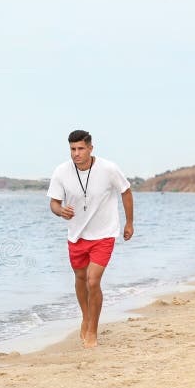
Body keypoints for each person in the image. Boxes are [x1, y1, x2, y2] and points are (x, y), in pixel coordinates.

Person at [47, 130, 134, 348]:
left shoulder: (108, 169)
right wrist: (60, 211)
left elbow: (126, 191)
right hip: (77, 235)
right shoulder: (61, 172)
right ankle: (85, 316)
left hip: (104, 233)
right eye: (72, 149)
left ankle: (93, 331)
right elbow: (54, 203)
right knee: (80, 278)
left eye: (80, 149)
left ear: (90, 148)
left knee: (93, 280)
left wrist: (129, 223)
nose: (76, 154)